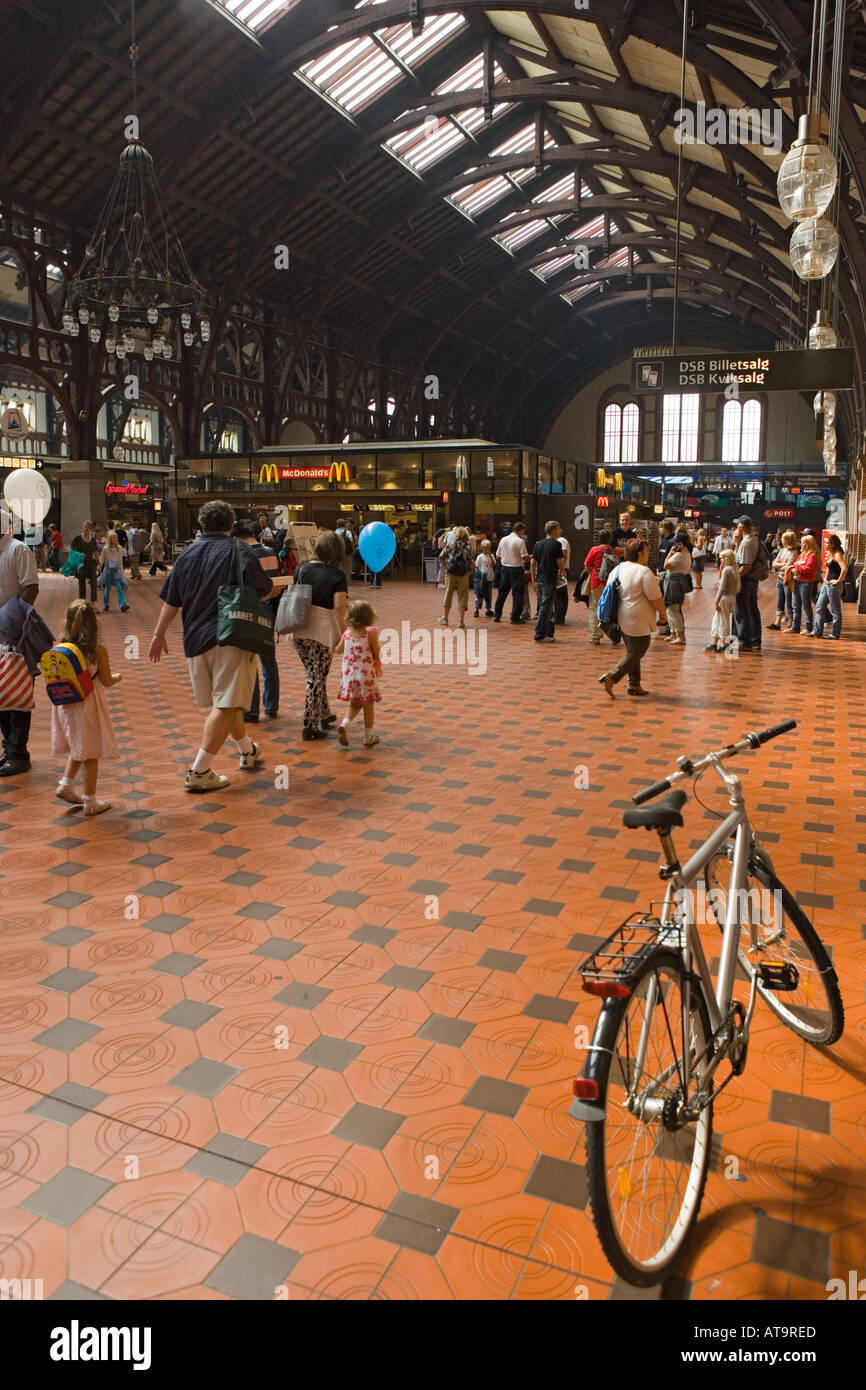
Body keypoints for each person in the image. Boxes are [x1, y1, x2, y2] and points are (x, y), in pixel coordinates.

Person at [148, 500, 272, 792]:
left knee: (228, 703)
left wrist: (158, 634)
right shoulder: (238, 550)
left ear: (201, 525)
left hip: (194, 640)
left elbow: (172, 599)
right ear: (230, 525)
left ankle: (247, 751)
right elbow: (264, 590)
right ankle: (199, 770)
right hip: (232, 635)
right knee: (227, 703)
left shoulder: (186, 554)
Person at [52, 599, 120, 816]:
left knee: (78, 743)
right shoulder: (97, 650)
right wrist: (119, 677)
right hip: (87, 705)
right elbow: (107, 680)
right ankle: (90, 802)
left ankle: (66, 784)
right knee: (90, 752)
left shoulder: (60, 647)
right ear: (94, 623)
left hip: (65, 705)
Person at [291, 529, 349, 741]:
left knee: (314, 673)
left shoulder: (302, 569)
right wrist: (346, 634)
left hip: (299, 629)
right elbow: (339, 608)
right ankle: (310, 724)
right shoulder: (337, 576)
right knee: (316, 677)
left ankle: (323, 714)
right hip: (323, 632)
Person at [598, 538, 666, 699]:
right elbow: (655, 597)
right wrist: (663, 614)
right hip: (638, 618)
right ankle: (612, 676)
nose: (648, 555)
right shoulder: (644, 572)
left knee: (632, 651)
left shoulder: (619, 568)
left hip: (621, 616)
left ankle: (634, 684)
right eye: (647, 551)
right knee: (638, 649)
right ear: (640, 553)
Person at [0, 524, 40, 777]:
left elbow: (31, 586)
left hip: (16, 632)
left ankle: (18, 753)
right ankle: (9, 748)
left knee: (17, 692)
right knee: (2, 693)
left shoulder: (18, 550)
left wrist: (10, 620)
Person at [231, 521, 281, 722]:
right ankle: (272, 705)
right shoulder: (270, 551)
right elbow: (275, 580)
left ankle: (251, 709)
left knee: (249, 660)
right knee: (268, 659)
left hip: (249, 609)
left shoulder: (243, 554)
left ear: (237, 538)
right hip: (268, 608)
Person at [335, 600, 381, 748]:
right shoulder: (369, 635)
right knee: (368, 705)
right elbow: (376, 651)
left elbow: (338, 650)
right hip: (365, 676)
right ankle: (368, 736)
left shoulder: (347, 634)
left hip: (349, 676)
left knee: (355, 703)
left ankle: (345, 724)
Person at [531, 520, 565, 643]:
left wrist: (533, 580)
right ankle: (539, 634)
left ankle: (549, 632)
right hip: (550, 579)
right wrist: (563, 571)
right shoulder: (556, 544)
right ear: (554, 530)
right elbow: (559, 561)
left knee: (544, 606)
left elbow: (532, 562)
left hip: (540, 578)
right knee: (546, 607)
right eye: (558, 528)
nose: (559, 531)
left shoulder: (538, 544)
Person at [733, 515, 762, 652]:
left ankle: (744, 641)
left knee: (741, 610)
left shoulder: (747, 542)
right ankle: (754, 640)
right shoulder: (753, 538)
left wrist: (735, 578)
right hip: (752, 580)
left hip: (745, 580)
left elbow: (746, 565)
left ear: (741, 527)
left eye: (737, 526)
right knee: (751, 609)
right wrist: (736, 541)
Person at [583, 529, 616, 646]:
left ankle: (595, 636)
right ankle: (614, 635)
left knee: (594, 608)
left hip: (596, 582)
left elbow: (587, 568)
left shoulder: (594, 550)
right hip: (610, 584)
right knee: (611, 609)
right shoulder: (614, 551)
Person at [813, 534, 847, 640]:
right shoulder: (830, 554)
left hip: (834, 587)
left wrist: (838, 580)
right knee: (819, 606)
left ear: (833, 544)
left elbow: (844, 568)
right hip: (826, 585)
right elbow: (829, 568)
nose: (825, 544)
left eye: (827, 542)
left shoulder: (837, 554)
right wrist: (825, 579)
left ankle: (834, 634)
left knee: (835, 611)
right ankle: (818, 632)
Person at [705, 549, 740, 652]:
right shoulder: (735, 569)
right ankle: (714, 642)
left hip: (724, 598)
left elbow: (722, 587)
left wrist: (716, 601)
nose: (721, 560)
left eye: (722, 558)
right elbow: (738, 587)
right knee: (719, 619)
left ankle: (726, 644)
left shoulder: (726, 570)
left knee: (724, 621)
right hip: (732, 597)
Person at [493, 522, 529, 624]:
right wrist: (530, 557)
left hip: (504, 569)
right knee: (517, 594)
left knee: (502, 593)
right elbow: (525, 558)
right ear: (521, 530)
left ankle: (497, 615)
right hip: (516, 570)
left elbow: (498, 556)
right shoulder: (520, 541)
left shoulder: (503, 539)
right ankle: (515, 617)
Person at [786, 533, 820, 636]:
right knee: (795, 606)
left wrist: (797, 569)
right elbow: (795, 565)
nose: (800, 544)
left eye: (803, 543)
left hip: (806, 583)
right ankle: (795, 627)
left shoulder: (813, 555)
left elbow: (808, 569)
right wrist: (796, 568)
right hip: (796, 582)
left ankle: (807, 627)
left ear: (808, 544)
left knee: (806, 606)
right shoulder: (801, 555)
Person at [440, 526, 473, 629]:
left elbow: (441, 556)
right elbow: (471, 562)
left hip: (450, 573)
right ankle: (461, 621)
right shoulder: (469, 548)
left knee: (448, 594)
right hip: (463, 575)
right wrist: (468, 572)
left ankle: (445, 618)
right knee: (462, 597)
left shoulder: (450, 545)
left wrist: (447, 565)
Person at [663, 533, 692, 646]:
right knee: (674, 608)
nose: (674, 544)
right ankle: (674, 633)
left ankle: (680, 635)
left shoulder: (679, 555)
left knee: (672, 608)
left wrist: (670, 553)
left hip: (674, 581)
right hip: (678, 580)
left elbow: (665, 565)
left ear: (681, 543)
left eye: (676, 543)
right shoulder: (687, 553)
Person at [768, 530, 798, 631]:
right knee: (780, 601)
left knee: (790, 601)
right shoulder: (783, 550)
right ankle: (778, 622)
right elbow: (774, 563)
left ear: (788, 540)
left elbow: (789, 567)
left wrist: (781, 565)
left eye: (784, 539)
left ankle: (791, 622)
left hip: (788, 580)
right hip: (780, 579)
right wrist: (782, 564)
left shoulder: (794, 553)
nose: (782, 541)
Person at [98, 530, 129, 612]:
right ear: (110, 539)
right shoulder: (105, 549)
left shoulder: (119, 549)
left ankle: (123, 604)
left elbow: (120, 562)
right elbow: (102, 560)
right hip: (108, 570)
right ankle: (106, 604)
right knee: (107, 588)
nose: (116, 539)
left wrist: (122, 573)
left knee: (119, 587)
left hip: (116, 570)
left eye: (116, 538)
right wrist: (98, 567)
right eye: (114, 538)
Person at [70, 522, 99, 602]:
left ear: (91, 529)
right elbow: (71, 549)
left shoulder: (93, 540)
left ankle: (93, 605)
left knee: (94, 583)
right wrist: (78, 554)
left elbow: (95, 553)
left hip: (91, 564)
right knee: (82, 584)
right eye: (85, 527)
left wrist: (99, 564)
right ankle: (82, 604)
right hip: (81, 564)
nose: (86, 529)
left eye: (88, 527)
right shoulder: (78, 538)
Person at [473, 540, 495, 618]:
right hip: (481, 578)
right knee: (479, 594)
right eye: (485, 549)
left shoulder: (491, 556)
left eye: (488, 549)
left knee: (488, 594)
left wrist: (491, 557)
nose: (486, 551)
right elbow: (476, 566)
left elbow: (493, 564)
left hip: (489, 577)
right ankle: (476, 609)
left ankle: (488, 609)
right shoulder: (480, 557)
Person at [554, 529, 571, 625]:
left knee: (559, 594)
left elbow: (564, 554)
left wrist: (561, 569)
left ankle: (558, 616)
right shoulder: (562, 540)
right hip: (562, 569)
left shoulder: (561, 540)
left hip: (561, 569)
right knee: (562, 594)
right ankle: (560, 616)